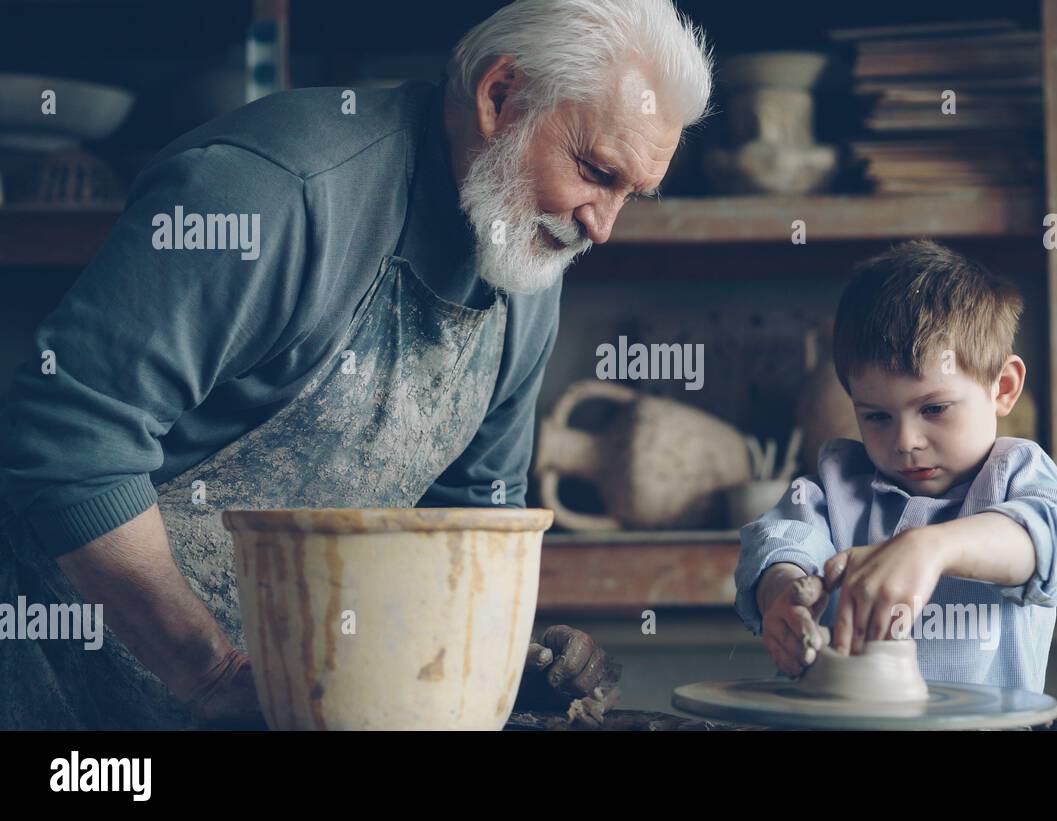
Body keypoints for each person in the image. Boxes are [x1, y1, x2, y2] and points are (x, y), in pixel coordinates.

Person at [0, 0, 713, 729]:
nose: (603, 224)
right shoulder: (275, 192)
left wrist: (505, 663)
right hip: (55, 684)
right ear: (500, 97)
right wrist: (211, 672)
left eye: (631, 193)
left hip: (267, 707)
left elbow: (466, 528)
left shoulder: (528, 266)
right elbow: (70, 439)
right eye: (597, 171)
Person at [735, 240, 1057, 693]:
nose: (905, 442)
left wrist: (932, 548)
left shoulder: (1015, 474)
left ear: (1002, 387)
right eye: (876, 416)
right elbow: (780, 542)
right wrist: (783, 595)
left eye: (934, 409)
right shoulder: (836, 487)